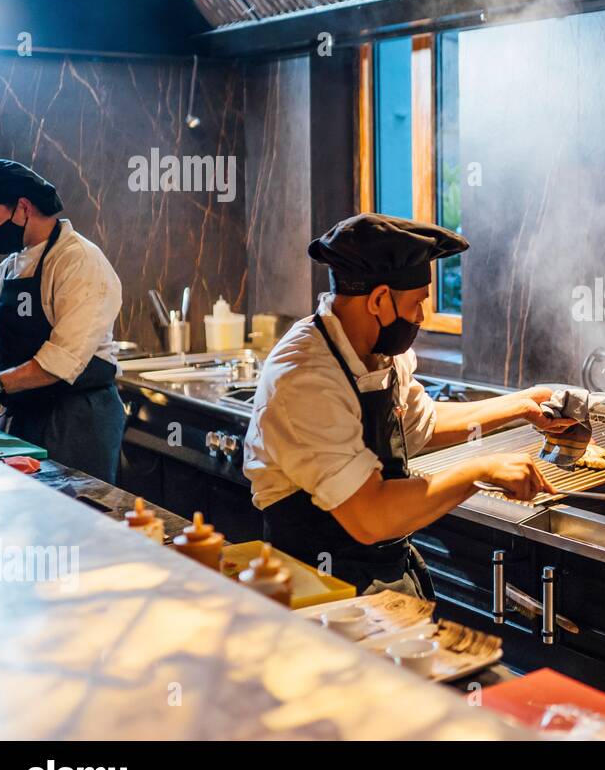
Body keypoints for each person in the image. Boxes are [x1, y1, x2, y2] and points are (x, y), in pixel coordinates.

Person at [243, 213, 574, 598]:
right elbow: (371, 517)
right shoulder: (306, 377)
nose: (420, 317)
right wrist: (479, 471)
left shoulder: (380, 352)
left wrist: (521, 404)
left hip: (382, 575)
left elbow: (421, 425)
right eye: (417, 303)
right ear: (380, 300)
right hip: (316, 589)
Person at [0, 160, 124, 482]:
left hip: (77, 420)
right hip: (25, 413)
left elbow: (59, 361)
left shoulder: (78, 261)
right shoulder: (12, 266)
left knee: (74, 519)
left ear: (24, 208)